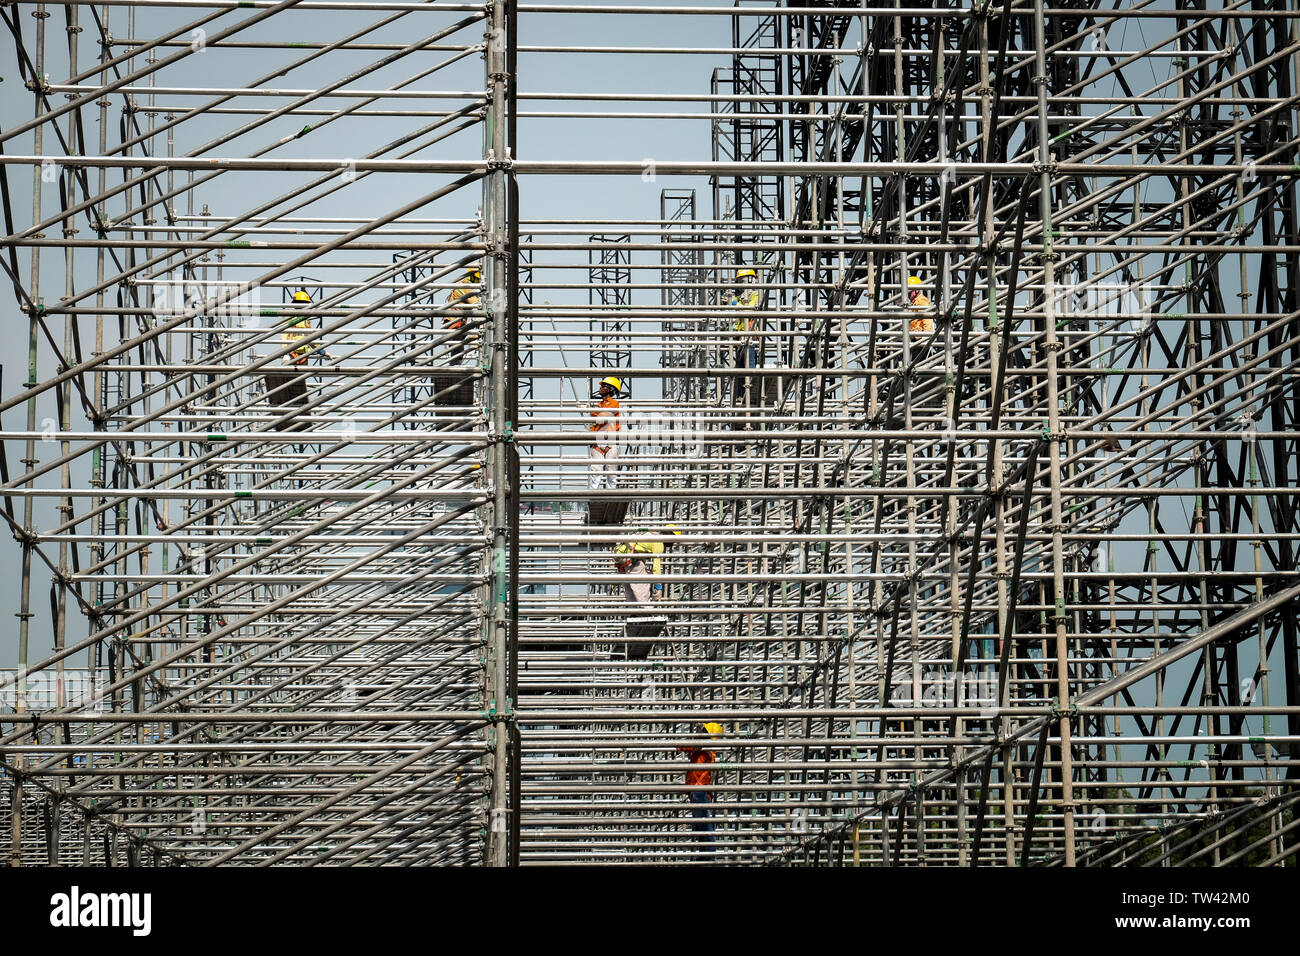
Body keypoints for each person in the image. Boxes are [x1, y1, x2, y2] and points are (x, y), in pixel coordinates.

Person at [676, 722, 723, 849]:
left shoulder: (703, 746)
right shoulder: (707, 750)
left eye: (703, 731)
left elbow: (685, 746)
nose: (698, 733)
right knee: (701, 826)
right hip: (699, 791)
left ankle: (709, 855)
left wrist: (675, 746)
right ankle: (705, 856)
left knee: (704, 826)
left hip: (699, 790)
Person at [588, 375, 623, 490]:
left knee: (611, 470)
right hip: (598, 441)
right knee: (595, 469)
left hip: (610, 441)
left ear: (611, 389)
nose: (601, 388)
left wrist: (589, 410)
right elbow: (595, 423)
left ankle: (611, 493)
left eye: (604, 386)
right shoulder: (598, 405)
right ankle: (594, 493)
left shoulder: (614, 403)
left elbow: (603, 416)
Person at [444, 265, 480, 365]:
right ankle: (455, 366)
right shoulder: (464, 287)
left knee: (458, 346)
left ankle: (456, 364)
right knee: (457, 346)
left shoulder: (466, 286)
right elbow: (476, 304)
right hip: (454, 321)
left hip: (458, 321)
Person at [282, 289, 328, 366]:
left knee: (301, 377)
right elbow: (284, 337)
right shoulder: (290, 318)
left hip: (303, 355)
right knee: (290, 376)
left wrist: (322, 351)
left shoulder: (306, 321)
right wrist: (285, 353)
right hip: (292, 354)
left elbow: (310, 338)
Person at [730, 267, 762, 370]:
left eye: (742, 280)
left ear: (750, 280)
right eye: (739, 281)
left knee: (749, 367)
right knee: (740, 371)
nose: (740, 284)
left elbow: (749, 312)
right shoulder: (740, 298)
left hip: (750, 336)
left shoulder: (755, 295)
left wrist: (735, 303)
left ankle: (750, 384)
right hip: (740, 339)